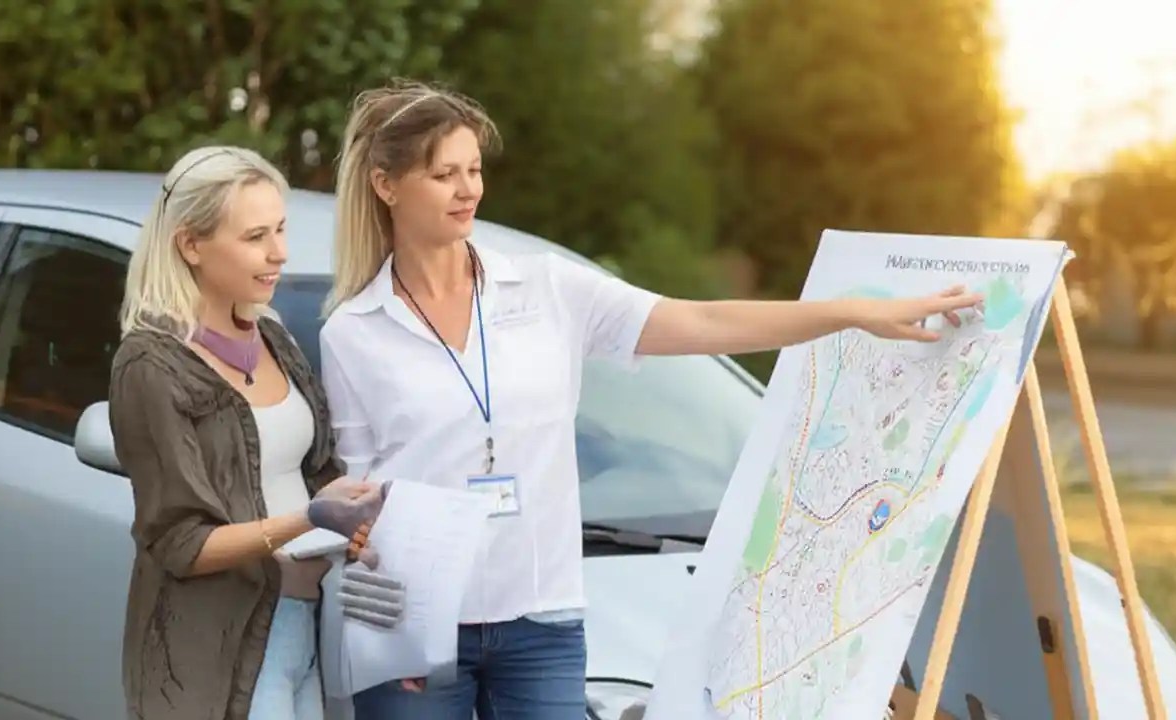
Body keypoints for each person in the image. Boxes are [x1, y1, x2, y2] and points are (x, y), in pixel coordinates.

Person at [317, 81, 984, 719]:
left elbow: (704, 324)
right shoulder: (353, 332)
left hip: (540, 621)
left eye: (474, 169)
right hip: (417, 622)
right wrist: (364, 544)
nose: (469, 190)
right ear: (386, 186)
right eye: (444, 175)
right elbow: (361, 488)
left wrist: (852, 312)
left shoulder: (548, 288)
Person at [108, 145, 402, 720]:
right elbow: (181, 544)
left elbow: (320, 473)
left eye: (281, 230)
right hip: (222, 647)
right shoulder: (150, 365)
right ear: (190, 244)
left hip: (307, 625)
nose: (278, 254)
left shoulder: (274, 336)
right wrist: (309, 522)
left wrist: (355, 518)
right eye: (255, 237)